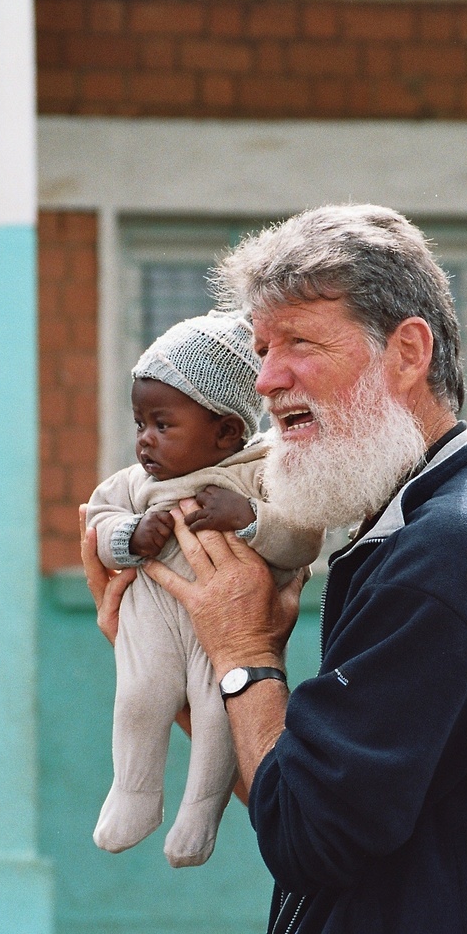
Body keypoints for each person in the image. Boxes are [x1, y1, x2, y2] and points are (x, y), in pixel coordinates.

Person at [82, 204, 467, 934]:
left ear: (407, 352)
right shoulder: (415, 529)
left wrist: (243, 650)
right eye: (261, 350)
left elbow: (308, 838)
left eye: (299, 343)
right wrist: (200, 660)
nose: (264, 380)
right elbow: (307, 792)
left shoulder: (450, 555)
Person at [86, 310, 323, 867]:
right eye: (139, 422)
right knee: (140, 698)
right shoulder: (136, 482)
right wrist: (129, 536)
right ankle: (134, 794)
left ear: (226, 430)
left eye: (162, 424)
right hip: (151, 616)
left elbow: (302, 540)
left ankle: (201, 812)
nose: (145, 439)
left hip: (231, 625)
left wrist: (249, 519)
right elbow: (95, 524)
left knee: (221, 713)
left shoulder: (262, 473)